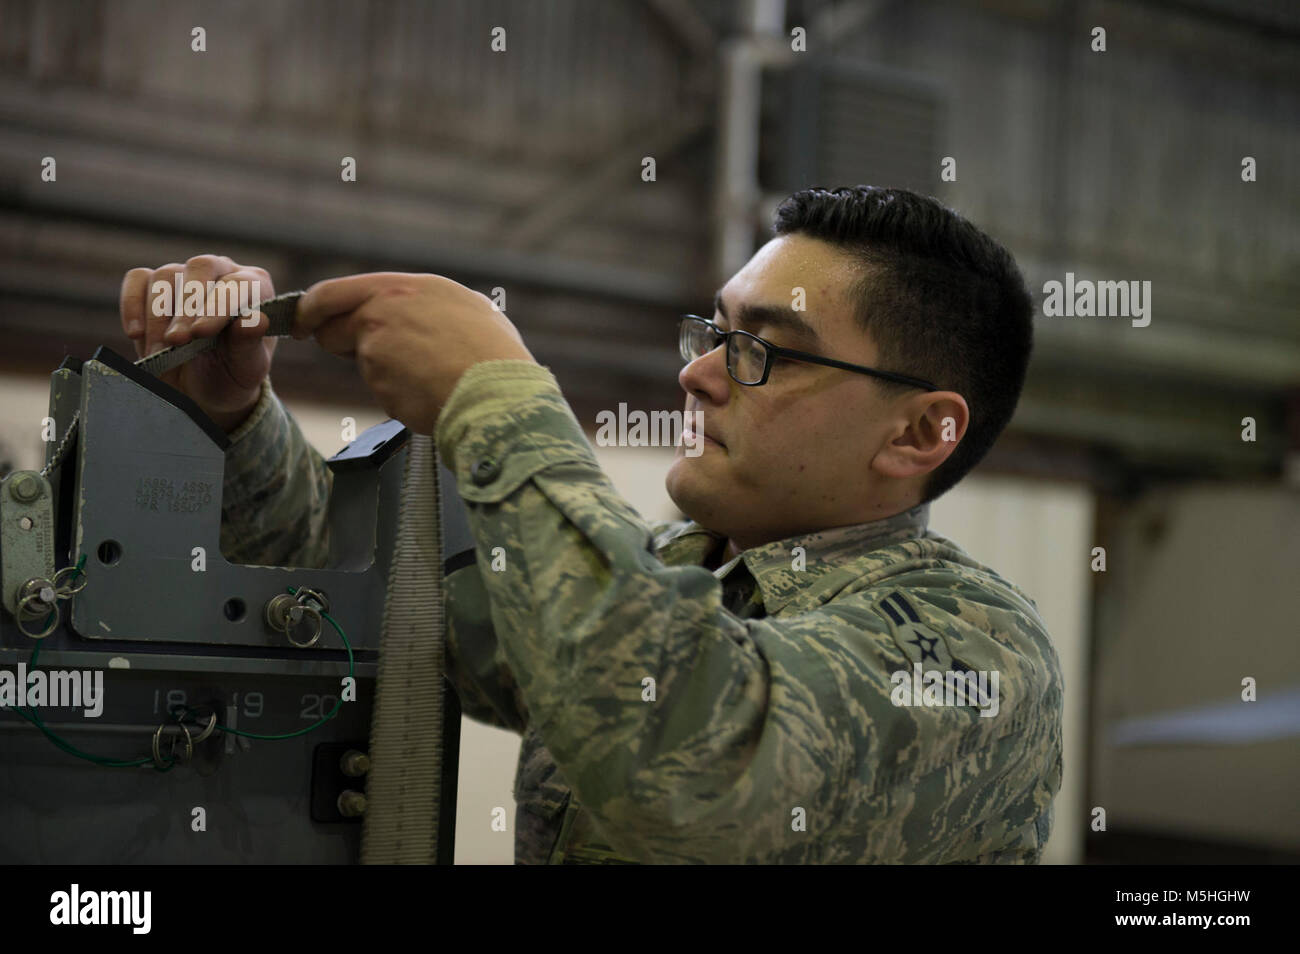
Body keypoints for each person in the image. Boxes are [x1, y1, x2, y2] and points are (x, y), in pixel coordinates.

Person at [119, 185, 1062, 864]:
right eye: (714, 332)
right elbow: (377, 608)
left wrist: (499, 399)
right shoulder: (666, 568)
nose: (698, 374)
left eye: (764, 351)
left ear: (920, 431)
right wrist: (238, 420)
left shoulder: (978, 654)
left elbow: (693, 761)